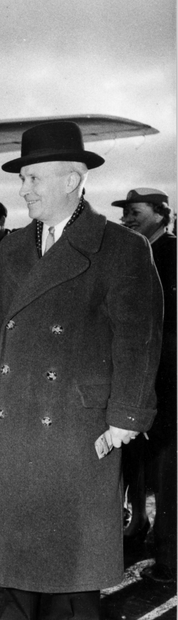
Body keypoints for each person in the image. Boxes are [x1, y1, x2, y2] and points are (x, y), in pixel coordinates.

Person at [0, 122, 163, 620]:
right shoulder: (13, 248)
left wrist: (128, 416)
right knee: (16, 527)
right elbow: (1, 331)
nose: (23, 189)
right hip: (18, 407)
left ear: (74, 180)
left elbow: (139, 337)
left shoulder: (120, 248)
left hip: (81, 417)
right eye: (23, 177)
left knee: (79, 536)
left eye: (33, 178)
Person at [113, 188, 176, 583]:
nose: (128, 219)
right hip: (146, 380)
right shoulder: (138, 252)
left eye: (136, 212)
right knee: (143, 463)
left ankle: (170, 559)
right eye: (126, 213)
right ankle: (145, 532)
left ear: (160, 214)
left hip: (168, 381)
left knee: (168, 471)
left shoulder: (171, 252)